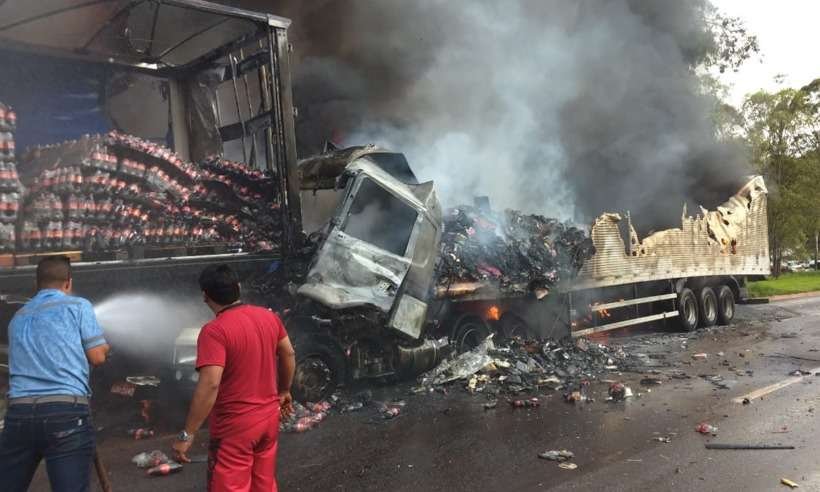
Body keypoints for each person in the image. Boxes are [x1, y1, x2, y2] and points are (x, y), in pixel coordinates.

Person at [173, 264, 296, 492]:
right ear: (238, 287)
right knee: (263, 485)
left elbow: (210, 384)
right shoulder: (269, 317)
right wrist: (284, 390)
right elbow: (288, 353)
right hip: (268, 419)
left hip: (235, 427)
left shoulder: (214, 331)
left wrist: (187, 434)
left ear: (205, 296)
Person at [0, 255, 110, 492]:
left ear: (36, 283)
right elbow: (97, 356)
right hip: (65, 413)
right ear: (68, 283)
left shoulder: (18, 318)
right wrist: (104, 347)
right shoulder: (78, 306)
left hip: (19, 415)